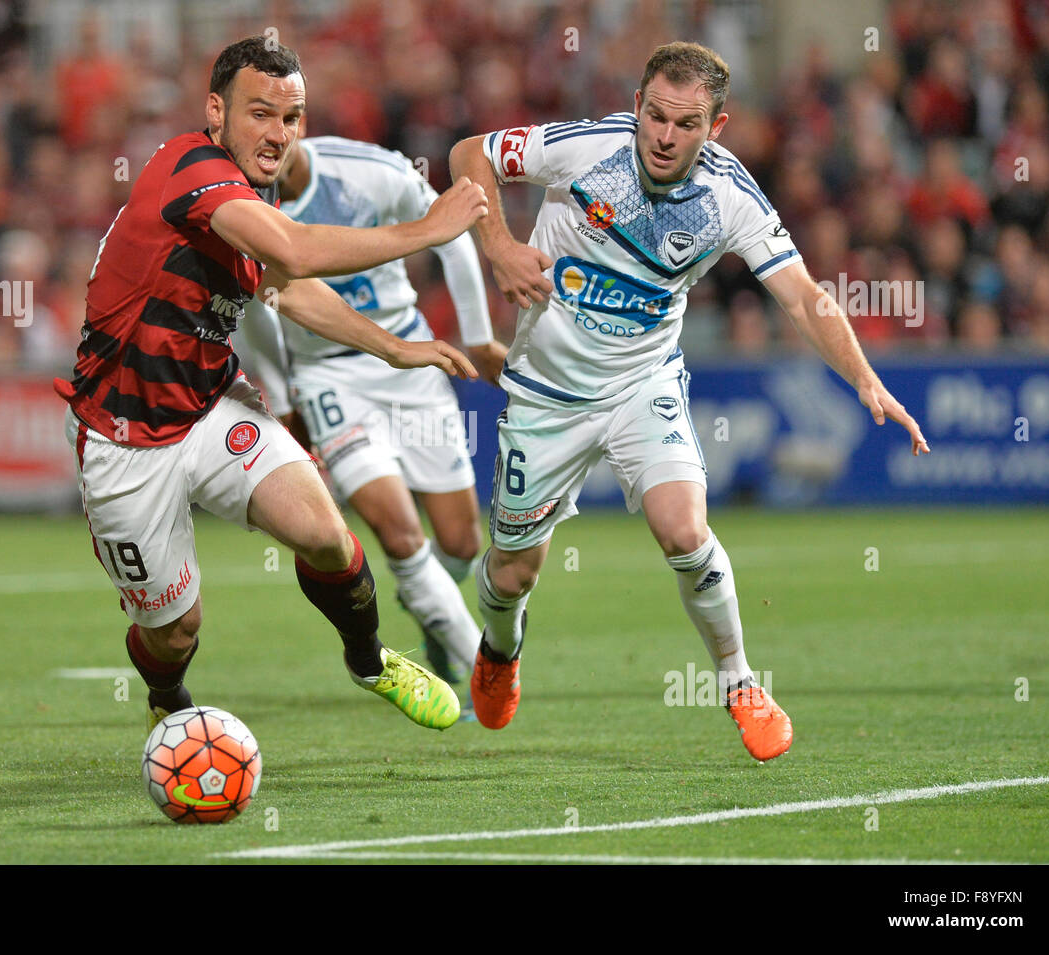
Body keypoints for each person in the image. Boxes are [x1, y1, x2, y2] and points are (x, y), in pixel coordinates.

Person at [448, 41, 930, 759]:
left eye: (687, 124)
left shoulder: (729, 194)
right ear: (638, 105)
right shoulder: (587, 150)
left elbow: (801, 296)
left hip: (644, 384)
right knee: (513, 570)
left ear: (718, 127)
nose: (666, 137)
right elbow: (468, 153)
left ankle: (739, 681)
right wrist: (500, 244)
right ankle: (499, 646)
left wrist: (864, 377)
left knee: (684, 531)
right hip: (547, 393)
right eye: (656, 117)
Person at [54, 36, 489, 735]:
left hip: (210, 403)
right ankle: (167, 697)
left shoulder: (247, 193)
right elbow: (292, 248)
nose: (278, 134)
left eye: (292, 118)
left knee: (327, 537)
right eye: (261, 114)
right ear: (216, 111)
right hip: (124, 434)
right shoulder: (188, 165)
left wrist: (393, 348)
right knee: (176, 631)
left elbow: (290, 288)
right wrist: (425, 230)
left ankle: (370, 658)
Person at [237, 132, 507, 706]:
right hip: (330, 376)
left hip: (408, 357)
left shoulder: (369, 172)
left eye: (284, 118)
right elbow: (256, 306)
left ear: (300, 123)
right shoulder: (242, 209)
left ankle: (430, 609)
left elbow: (450, 236)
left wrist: (479, 339)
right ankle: (482, 672)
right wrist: (283, 397)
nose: (271, 137)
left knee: (460, 543)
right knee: (401, 534)